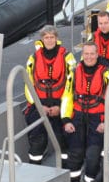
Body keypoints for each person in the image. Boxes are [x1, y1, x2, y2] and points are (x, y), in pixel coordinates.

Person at [62, 42, 109, 182]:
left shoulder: (108, 74)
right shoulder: (74, 72)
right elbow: (67, 97)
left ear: (97, 54)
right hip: (77, 118)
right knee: (74, 155)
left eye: (91, 53)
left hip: (98, 119)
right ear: (82, 55)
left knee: (92, 157)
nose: (88, 57)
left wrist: (107, 121)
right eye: (86, 53)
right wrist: (66, 120)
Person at [23, 25, 76, 164]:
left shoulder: (67, 57)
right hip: (39, 105)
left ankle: (68, 176)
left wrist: (60, 107)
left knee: (63, 141)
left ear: (56, 38)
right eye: (46, 37)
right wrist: (39, 106)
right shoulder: (33, 58)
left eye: (52, 37)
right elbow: (28, 85)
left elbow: (72, 85)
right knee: (37, 141)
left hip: (60, 106)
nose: (49, 40)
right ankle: (35, 169)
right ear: (42, 39)